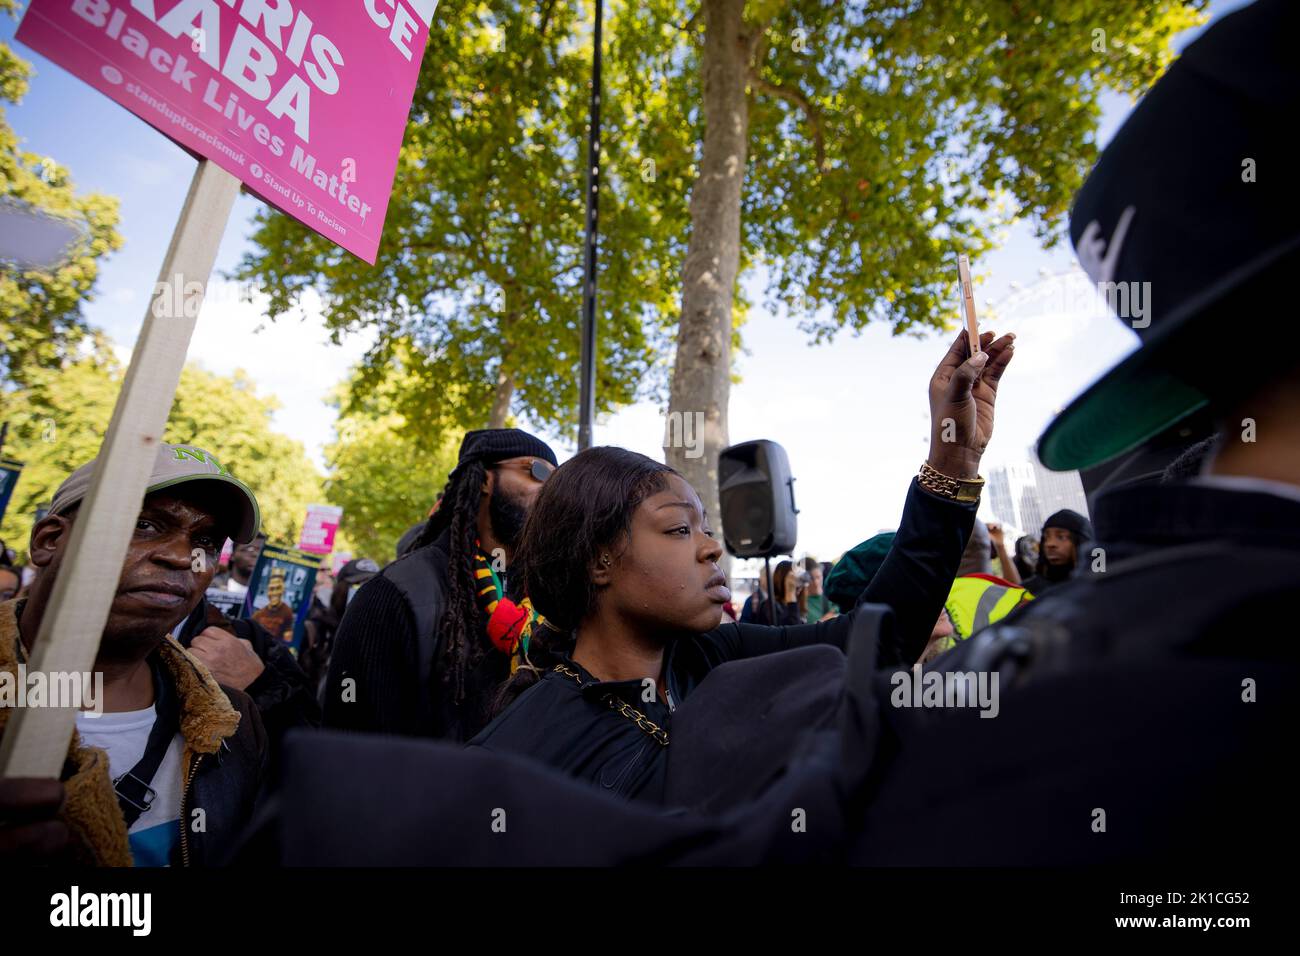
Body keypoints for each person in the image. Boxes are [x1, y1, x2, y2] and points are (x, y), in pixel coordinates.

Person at [467, 328, 1014, 803]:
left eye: (707, 529)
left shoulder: (711, 660)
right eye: (680, 529)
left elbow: (881, 638)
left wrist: (953, 460)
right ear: (599, 560)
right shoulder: (514, 761)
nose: (710, 549)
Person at [0, 442, 266, 866]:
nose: (182, 557)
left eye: (206, 541)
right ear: (50, 540)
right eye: (143, 524)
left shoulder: (236, 724)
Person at [323, 428, 558, 741]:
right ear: (486, 480)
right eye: (537, 472)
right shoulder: (395, 592)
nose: (550, 491)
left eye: (557, 482)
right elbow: (353, 739)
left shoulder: (550, 597)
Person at [1018, 509, 1091, 595]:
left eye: (1061, 537)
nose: (1050, 544)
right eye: (1046, 537)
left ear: (1082, 542)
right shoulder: (1029, 590)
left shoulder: (1099, 584)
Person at [751, 559, 806, 626]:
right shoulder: (769, 606)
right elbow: (793, 632)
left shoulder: (796, 603)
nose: (797, 583)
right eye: (793, 578)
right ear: (782, 580)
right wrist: (790, 593)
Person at [250, 568, 296, 644]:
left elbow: (288, 637)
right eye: (271, 589)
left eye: (278, 588)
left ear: (283, 591)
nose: (275, 593)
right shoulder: (258, 614)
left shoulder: (287, 611)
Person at [210, 533, 264, 598]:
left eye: (261, 550)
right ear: (232, 555)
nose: (256, 554)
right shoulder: (211, 586)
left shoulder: (269, 593)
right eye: (249, 549)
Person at [802, 557, 837, 623]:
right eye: (811, 579)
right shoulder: (801, 603)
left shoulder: (833, 596)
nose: (816, 583)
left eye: (818, 577)